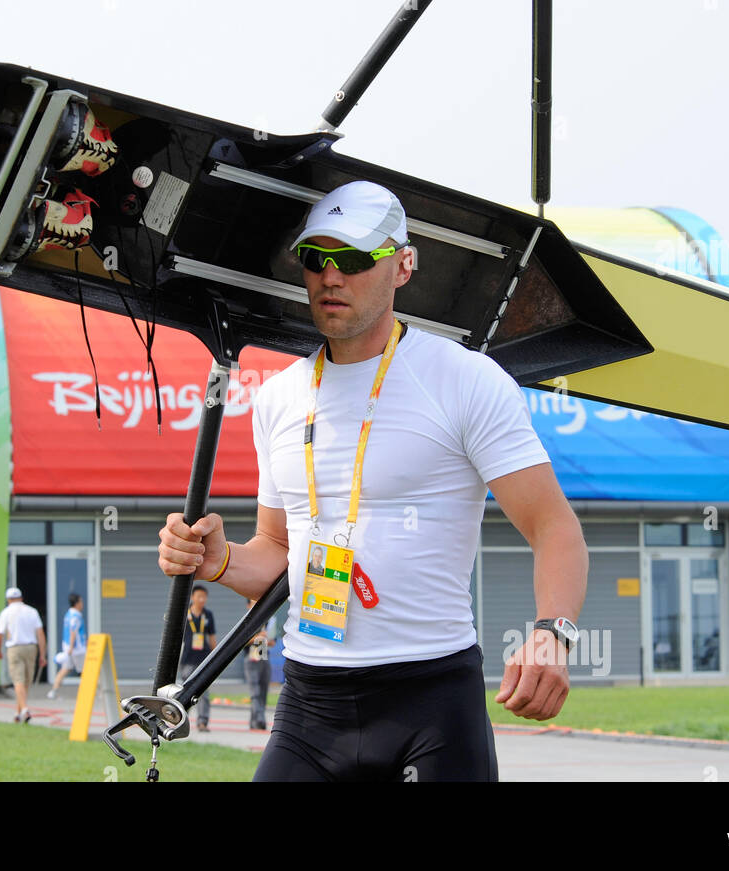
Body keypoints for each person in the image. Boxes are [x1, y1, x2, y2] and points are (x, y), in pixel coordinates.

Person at [157, 181, 587, 781]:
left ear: (403, 264)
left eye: (355, 260)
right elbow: (279, 555)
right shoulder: (277, 398)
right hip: (311, 704)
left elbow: (554, 528)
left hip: (432, 697)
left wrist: (552, 634)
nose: (332, 278)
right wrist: (220, 558)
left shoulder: (466, 379)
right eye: (317, 260)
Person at [0, 587, 47, 723]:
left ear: (8, 600)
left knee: (18, 681)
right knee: (26, 681)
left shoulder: (6, 613)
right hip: (31, 647)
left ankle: (24, 710)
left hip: (14, 648)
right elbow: (40, 634)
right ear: (21, 598)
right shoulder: (32, 611)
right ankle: (18, 713)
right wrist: (42, 655)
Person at [178, 583, 217, 731]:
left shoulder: (208, 615)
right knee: (185, 691)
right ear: (193, 597)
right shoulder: (184, 614)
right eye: (199, 596)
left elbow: (212, 637)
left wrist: (215, 657)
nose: (201, 599)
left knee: (204, 692)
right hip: (187, 658)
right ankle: (181, 721)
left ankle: (202, 722)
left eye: (204, 597)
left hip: (204, 658)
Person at [244, 601, 277, 731]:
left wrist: (266, 640)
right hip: (251, 657)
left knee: (263, 690)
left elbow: (273, 641)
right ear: (248, 605)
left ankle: (254, 721)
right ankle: (259, 719)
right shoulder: (246, 621)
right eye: (252, 602)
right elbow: (243, 640)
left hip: (264, 656)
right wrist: (258, 637)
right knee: (255, 692)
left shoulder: (269, 620)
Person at [47, 594, 87, 700]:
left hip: (68, 647)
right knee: (85, 671)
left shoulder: (68, 614)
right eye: (81, 602)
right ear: (77, 603)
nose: (82, 604)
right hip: (77, 649)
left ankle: (53, 691)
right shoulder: (76, 616)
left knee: (65, 669)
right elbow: (73, 631)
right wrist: (72, 646)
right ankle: (89, 693)